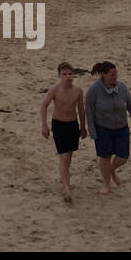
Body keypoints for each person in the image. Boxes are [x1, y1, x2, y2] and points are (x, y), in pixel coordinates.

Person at [84, 61, 131, 194]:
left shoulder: (122, 87)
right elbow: (88, 110)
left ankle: (111, 170)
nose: (115, 77)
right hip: (103, 128)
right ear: (103, 75)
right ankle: (106, 184)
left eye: (116, 74)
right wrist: (91, 130)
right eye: (112, 75)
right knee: (105, 157)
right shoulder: (94, 90)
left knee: (123, 157)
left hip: (121, 127)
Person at [41, 61, 88, 203]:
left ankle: (64, 180)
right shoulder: (54, 89)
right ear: (59, 76)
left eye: (70, 74)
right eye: (64, 74)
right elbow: (44, 106)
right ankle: (67, 190)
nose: (68, 76)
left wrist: (83, 127)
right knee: (65, 157)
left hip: (72, 125)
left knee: (69, 157)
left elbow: (81, 110)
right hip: (59, 125)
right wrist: (44, 126)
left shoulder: (78, 91)